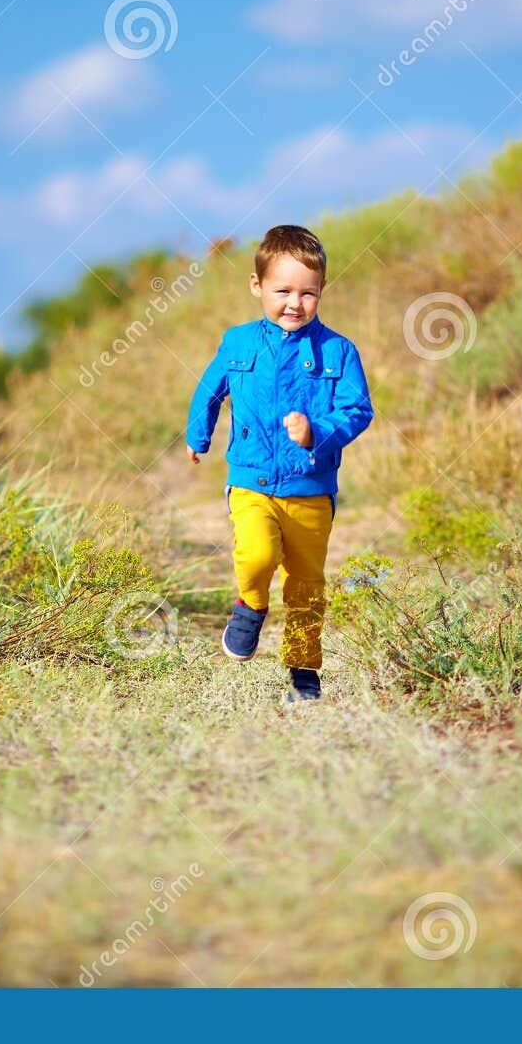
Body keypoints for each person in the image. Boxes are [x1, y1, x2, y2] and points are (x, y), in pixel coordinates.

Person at [185, 225, 374, 701]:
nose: (295, 303)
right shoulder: (238, 343)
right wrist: (198, 436)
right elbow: (210, 390)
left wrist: (317, 431)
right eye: (282, 291)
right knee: (257, 555)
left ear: (321, 292)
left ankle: (304, 673)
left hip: (312, 487)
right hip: (252, 481)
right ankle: (250, 603)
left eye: (308, 293)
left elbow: (358, 410)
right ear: (257, 287)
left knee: (307, 588)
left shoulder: (339, 351)